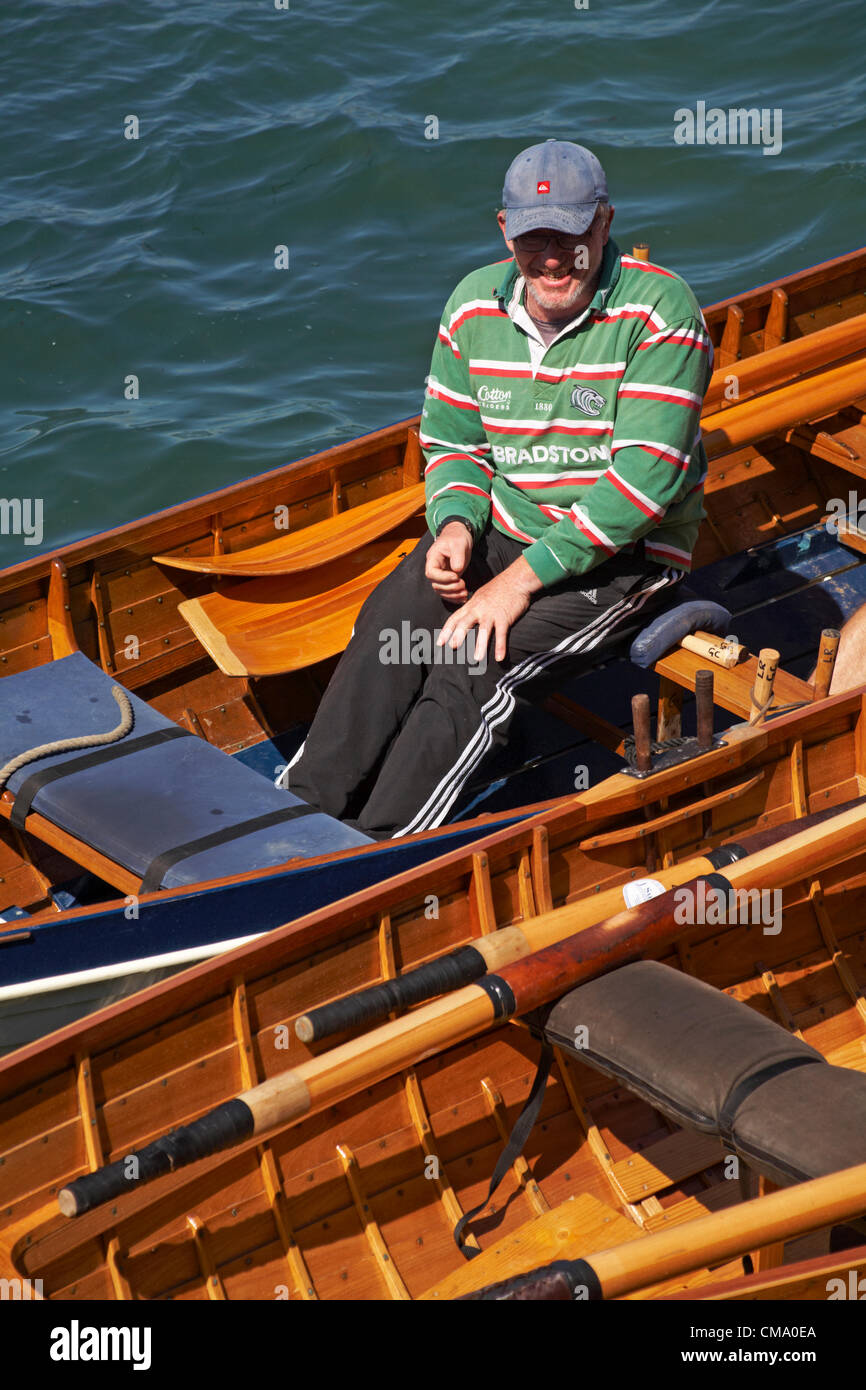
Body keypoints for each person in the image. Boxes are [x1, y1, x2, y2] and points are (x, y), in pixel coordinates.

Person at [287, 139, 714, 837]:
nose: (553, 259)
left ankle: (376, 856)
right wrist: (455, 523)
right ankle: (298, 814)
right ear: (504, 232)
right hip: (503, 533)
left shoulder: (660, 312)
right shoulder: (470, 308)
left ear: (604, 225)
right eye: (533, 239)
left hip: (620, 563)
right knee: (391, 620)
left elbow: (642, 487)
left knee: (474, 664)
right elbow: (455, 446)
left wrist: (515, 583)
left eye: (571, 237)